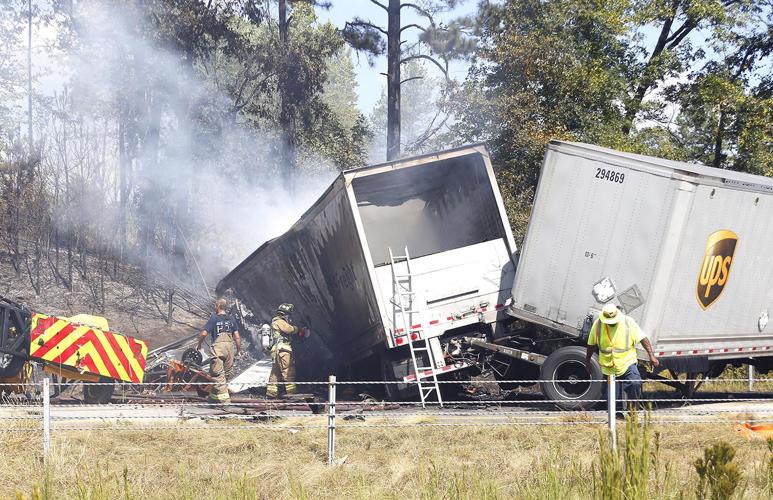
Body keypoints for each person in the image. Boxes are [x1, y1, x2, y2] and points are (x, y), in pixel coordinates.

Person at [586, 303, 659, 410]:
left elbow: (643, 339)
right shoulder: (598, 324)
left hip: (627, 363)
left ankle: (632, 410)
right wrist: (587, 361)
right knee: (610, 397)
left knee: (635, 383)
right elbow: (591, 344)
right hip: (608, 367)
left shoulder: (628, 322)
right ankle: (615, 416)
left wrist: (651, 356)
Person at [197, 298, 241, 403]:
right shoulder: (231, 319)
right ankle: (213, 399)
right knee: (225, 375)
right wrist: (238, 350)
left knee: (217, 375)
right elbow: (237, 337)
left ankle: (225, 402)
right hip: (230, 348)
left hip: (218, 349)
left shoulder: (214, 318)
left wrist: (199, 344)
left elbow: (204, 333)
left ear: (217, 306)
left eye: (215, 305)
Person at [266, 303, 309, 398]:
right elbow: (289, 329)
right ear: (285, 314)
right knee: (288, 370)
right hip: (283, 349)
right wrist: (297, 329)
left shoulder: (274, 321)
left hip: (275, 350)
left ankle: (271, 393)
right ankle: (292, 393)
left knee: (275, 372)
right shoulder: (280, 321)